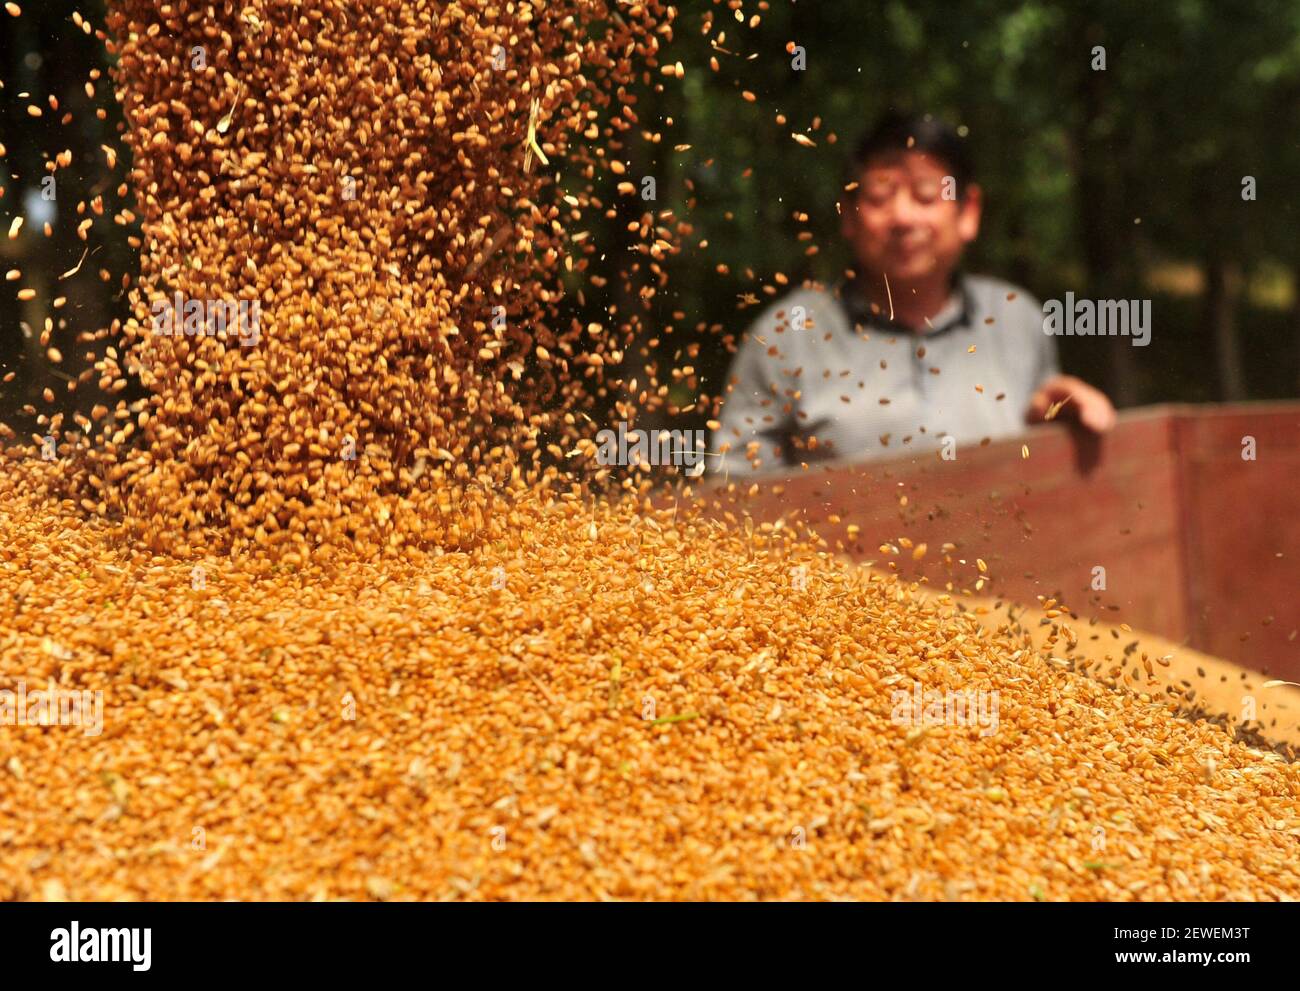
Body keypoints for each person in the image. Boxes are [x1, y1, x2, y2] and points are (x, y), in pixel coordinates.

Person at [712, 112, 1116, 475]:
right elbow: (734, 495)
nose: (903, 217)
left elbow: (1038, 471)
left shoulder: (1015, 317)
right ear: (849, 214)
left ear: (968, 211)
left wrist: (1054, 427)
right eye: (878, 196)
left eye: (926, 194)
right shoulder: (787, 336)